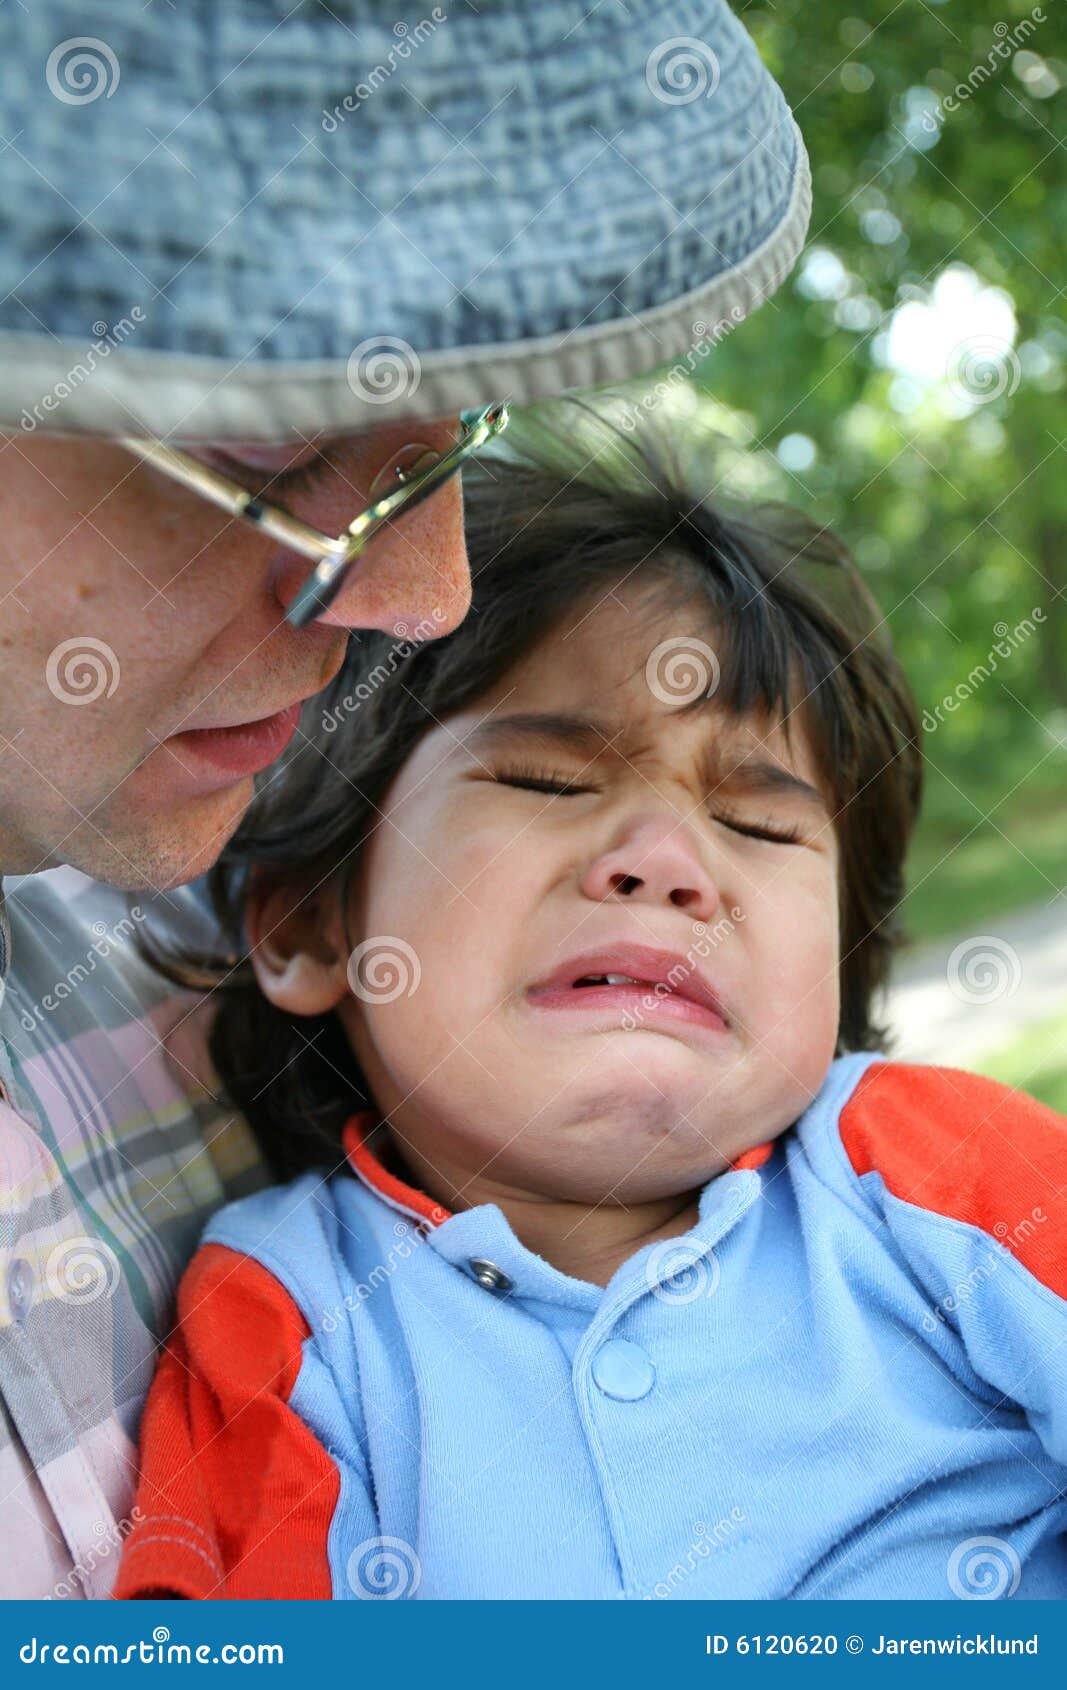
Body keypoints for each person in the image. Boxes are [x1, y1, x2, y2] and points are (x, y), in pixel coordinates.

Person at [0, 1, 813, 1598]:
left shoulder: (205, 898)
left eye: (438, 454)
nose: (423, 594)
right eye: (281, 447)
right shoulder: (282, 1311)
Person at [113, 415, 1067, 1601]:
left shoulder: (937, 1170)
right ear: (310, 924)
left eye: (758, 825)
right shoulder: (279, 1311)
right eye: (547, 780)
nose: (666, 858)